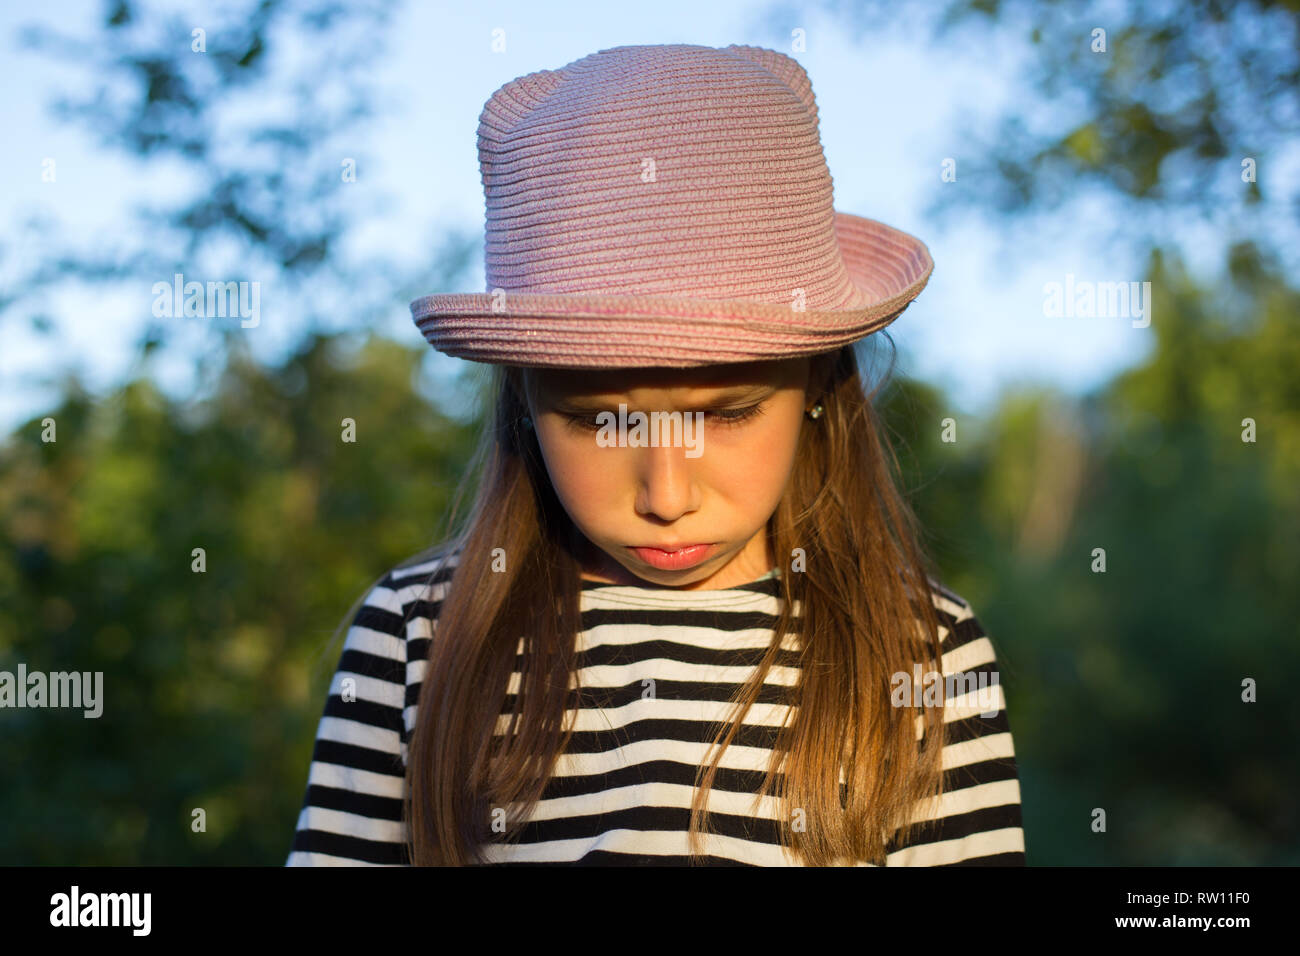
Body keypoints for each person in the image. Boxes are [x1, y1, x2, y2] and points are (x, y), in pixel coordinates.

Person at [286, 42, 1025, 866]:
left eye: (727, 415)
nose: (666, 495)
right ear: (524, 402)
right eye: (602, 423)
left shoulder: (922, 652)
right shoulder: (416, 637)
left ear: (816, 379)